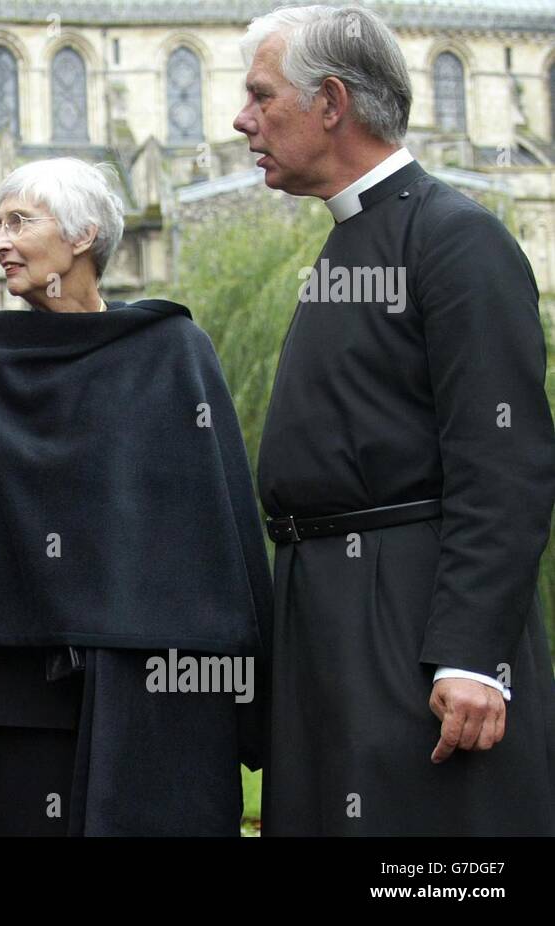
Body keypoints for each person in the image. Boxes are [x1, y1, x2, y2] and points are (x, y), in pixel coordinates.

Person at [0, 158, 272, 836]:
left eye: (19, 222)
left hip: (149, 697)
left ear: (84, 233)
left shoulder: (173, 352)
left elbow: (219, 525)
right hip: (6, 701)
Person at [235, 5, 555, 835]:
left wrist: (471, 654)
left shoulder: (455, 239)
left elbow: (505, 462)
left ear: (331, 103)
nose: (243, 120)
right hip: (326, 613)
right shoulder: (347, 244)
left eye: (262, 97)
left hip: (408, 617)